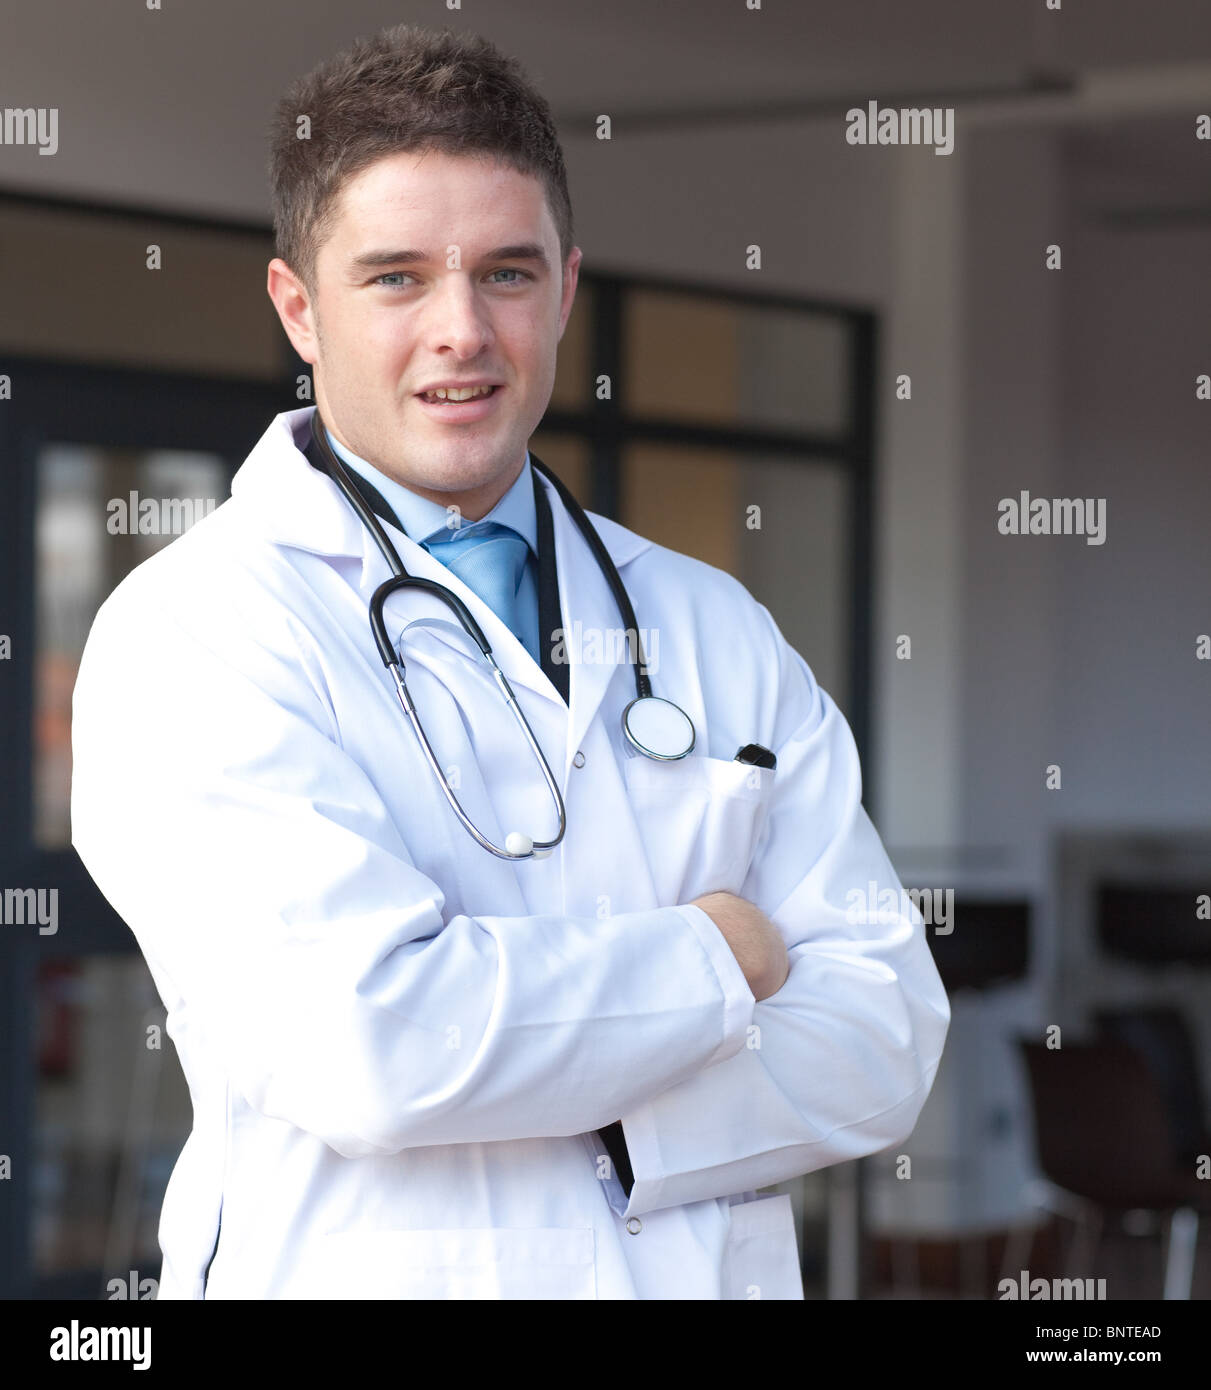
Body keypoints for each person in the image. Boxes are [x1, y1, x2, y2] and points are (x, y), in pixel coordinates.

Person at [70, 23, 949, 1300]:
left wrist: (600, 1120)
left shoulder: (706, 622)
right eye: (394, 279)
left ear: (565, 291)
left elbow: (884, 1031)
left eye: (505, 273)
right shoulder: (201, 629)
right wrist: (720, 954)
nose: (462, 331)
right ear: (299, 309)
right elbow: (376, 1045)